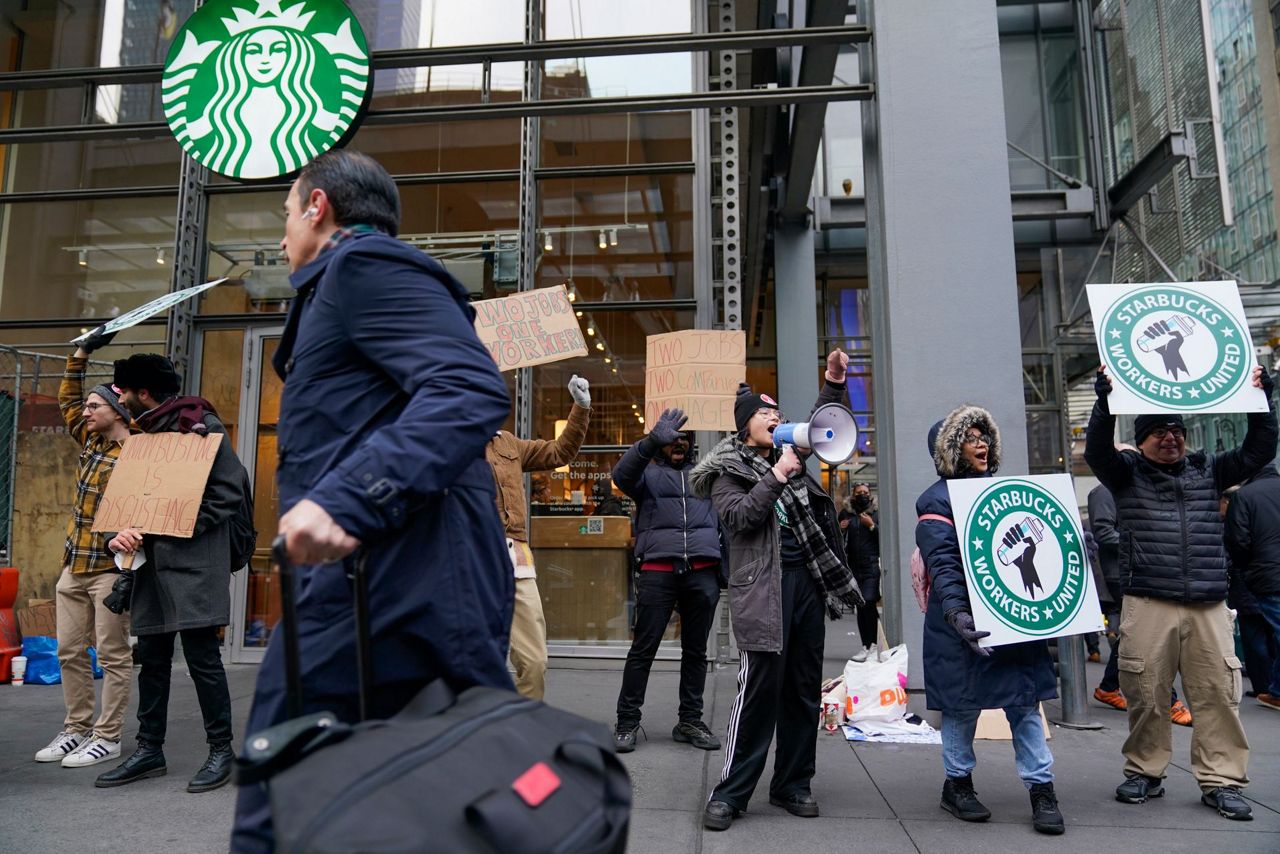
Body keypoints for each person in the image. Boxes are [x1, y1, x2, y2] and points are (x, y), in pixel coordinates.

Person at [231, 150, 513, 852]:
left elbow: (469, 389)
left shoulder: (365, 267)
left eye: (286, 212)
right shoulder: (343, 283)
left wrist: (349, 503)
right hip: (377, 582)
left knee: (283, 799)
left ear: (318, 207)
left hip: (392, 583)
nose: (281, 233)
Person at [1085, 364, 1276, 820]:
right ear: (1143, 437)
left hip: (1208, 602)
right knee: (1146, 692)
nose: (1170, 437)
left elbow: (1259, 449)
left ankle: (1222, 780)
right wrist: (1105, 402)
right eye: (1159, 431)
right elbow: (1096, 451)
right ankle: (1145, 771)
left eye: (1177, 430)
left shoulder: (1208, 470)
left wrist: (1262, 400)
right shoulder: (1125, 473)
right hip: (1149, 599)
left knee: (1217, 694)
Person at [690, 349, 863, 831]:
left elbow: (822, 423)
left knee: (804, 689)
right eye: (765, 414)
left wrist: (833, 383)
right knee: (759, 692)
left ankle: (792, 783)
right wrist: (778, 473)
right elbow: (742, 517)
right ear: (746, 427)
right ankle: (730, 793)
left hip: (806, 583)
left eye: (777, 413)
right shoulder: (726, 472)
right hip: (762, 590)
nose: (774, 418)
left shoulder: (790, 454)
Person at [97, 353, 251, 794]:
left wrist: (177, 521)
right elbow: (123, 501)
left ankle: (221, 751)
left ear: (143, 392)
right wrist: (117, 532)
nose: (121, 400)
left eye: (124, 392)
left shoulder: (201, 427)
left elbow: (228, 492)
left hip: (196, 562)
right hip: (150, 566)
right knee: (154, 659)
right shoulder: (143, 436)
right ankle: (149, 750)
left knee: (203, 659)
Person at [915, 404, 1064, 836]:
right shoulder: (937, 501)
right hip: (961, 622)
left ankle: (1042, 789)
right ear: (949, 450)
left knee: (1024, 703)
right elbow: (942, 562)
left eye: (984, 436)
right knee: (963, 707)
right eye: (970, 437)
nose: (981, 443)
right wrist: (957, 613)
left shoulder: (1003, 494)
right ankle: (957, 785)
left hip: (1010, 619)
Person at [32, 334, 136, 770]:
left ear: (118, 411)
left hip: (111, 569)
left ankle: (107, 736)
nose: (86, 412)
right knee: (69, 651)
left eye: (96, 407)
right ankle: (76, 729)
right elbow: (68, 398)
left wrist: (138, 531)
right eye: (89, 407)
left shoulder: (139, 450)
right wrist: (82, 352)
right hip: (74, 564)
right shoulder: (91, 441)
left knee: (113, 655)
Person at [611, 408, 723, 754]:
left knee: (695, 651)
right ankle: (627, 721)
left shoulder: (707, 475)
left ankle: (690, 720)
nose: (679, 442)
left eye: (683, 437)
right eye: (671, 437)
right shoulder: (647, 473)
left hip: (702, 572)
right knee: (643, 649)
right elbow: (620, 475)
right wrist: (647, 443)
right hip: (658, 571)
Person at [486, 377, 590, 700]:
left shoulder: (509, 444)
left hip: (517, 564)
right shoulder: (448, 444)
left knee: (534, 663)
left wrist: (580, 409)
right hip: (473, 562)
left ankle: (521, 728)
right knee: (471, 664)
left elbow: (560, 452)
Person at [1089, 480, 1192, 727]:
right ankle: (1168, 701)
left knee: (1134, 632)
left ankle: (1109, 686)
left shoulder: (1128, 489)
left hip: (1137, 570)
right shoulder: (1105, 491)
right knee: (1149, 632)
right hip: (1123, 573)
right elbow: (1103, 532)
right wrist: (1145, 543)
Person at [1224, 465, 1280, 710]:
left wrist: (1247, 569)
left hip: (1268, 574)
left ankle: (1276, 690)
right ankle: (1276, 690)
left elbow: (1238, 541)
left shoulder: (1244, 496)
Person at [842, 482, 880, 662]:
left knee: (868, 603)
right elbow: (837, 538)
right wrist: (841, 529)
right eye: (859, 492)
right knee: (860, 605)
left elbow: (883, 538)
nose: (862, 495)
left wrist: (872, 525)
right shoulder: (848, 515)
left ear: (870, 495)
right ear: (853, 494)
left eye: (865, 492)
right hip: (853, 567)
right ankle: (865, 646)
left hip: (871, 566)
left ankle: (873, 645)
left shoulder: (876, 514)